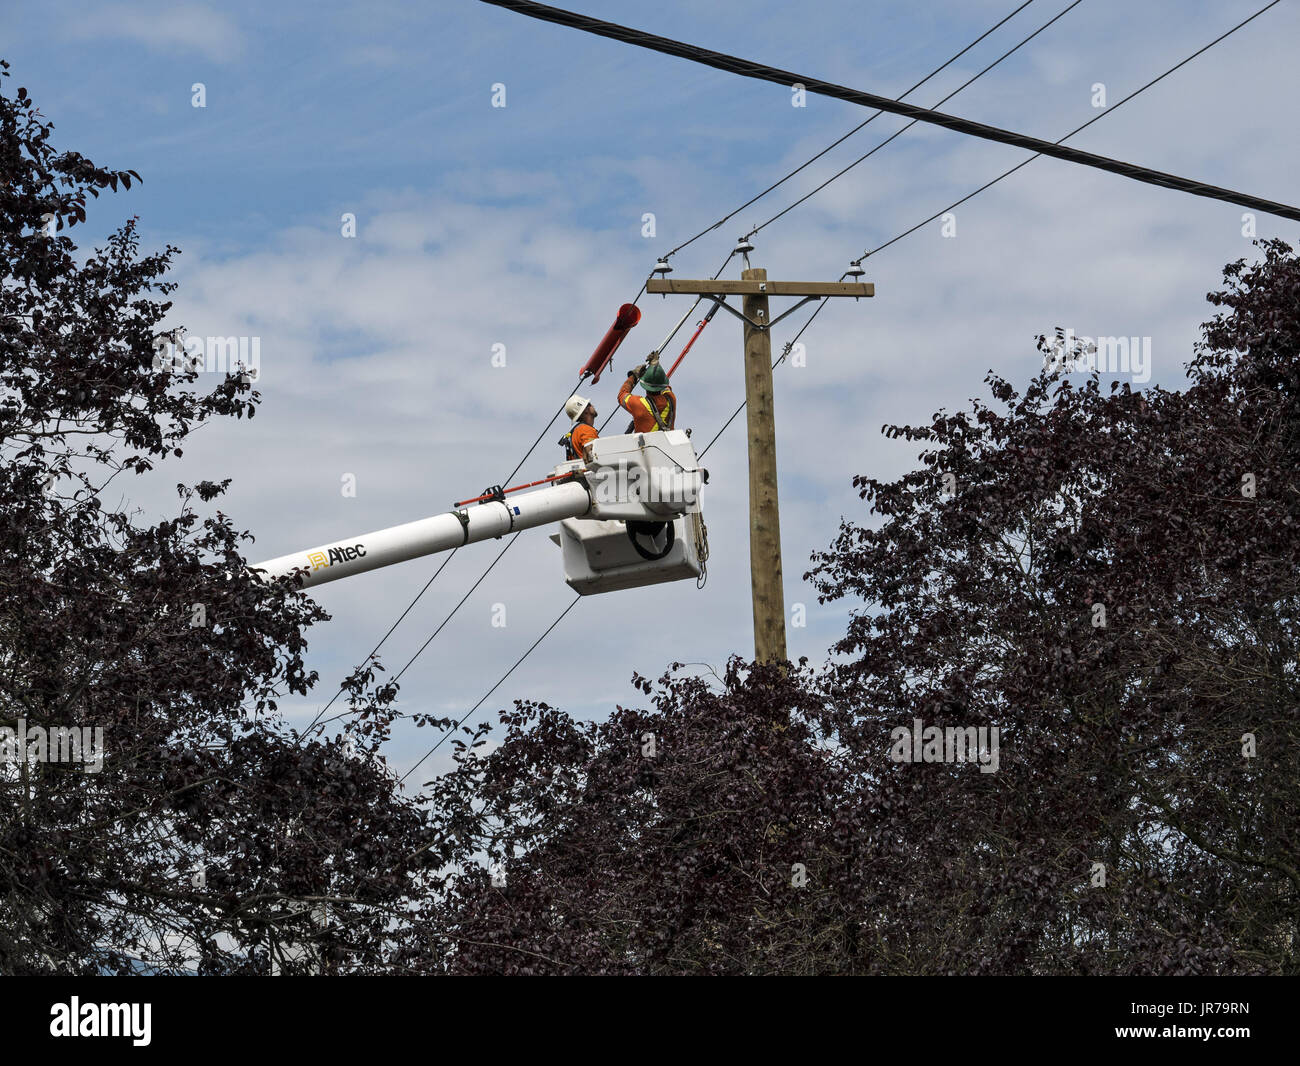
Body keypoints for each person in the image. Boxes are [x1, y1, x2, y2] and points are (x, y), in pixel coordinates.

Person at [618, 356, 676, 433]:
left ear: (645, 385)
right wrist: (655, 367)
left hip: (647, 441)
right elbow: (664, 385)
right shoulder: (671, 399)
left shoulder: (639, 404)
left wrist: (634, 376)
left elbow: (622, 395)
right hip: (666, 440)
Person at [560, 394, 599, 460]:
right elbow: (593, 455)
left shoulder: (576, 431)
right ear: (585, 410)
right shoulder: (586, 430)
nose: (593, 405)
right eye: (589, 404)